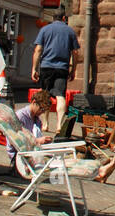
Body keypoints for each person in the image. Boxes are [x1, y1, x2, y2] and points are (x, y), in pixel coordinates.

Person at [31, 10, 79, 138]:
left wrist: (34, 68)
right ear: (64, 18)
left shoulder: (45, 30)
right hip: (62, 68)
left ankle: (45, 124)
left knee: (45, 95)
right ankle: (59, 125)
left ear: (53, 18)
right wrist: (73, 70)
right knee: (60, 96)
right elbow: (75, 53)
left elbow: (38, 50)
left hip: (46, 67)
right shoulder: (70, 31)